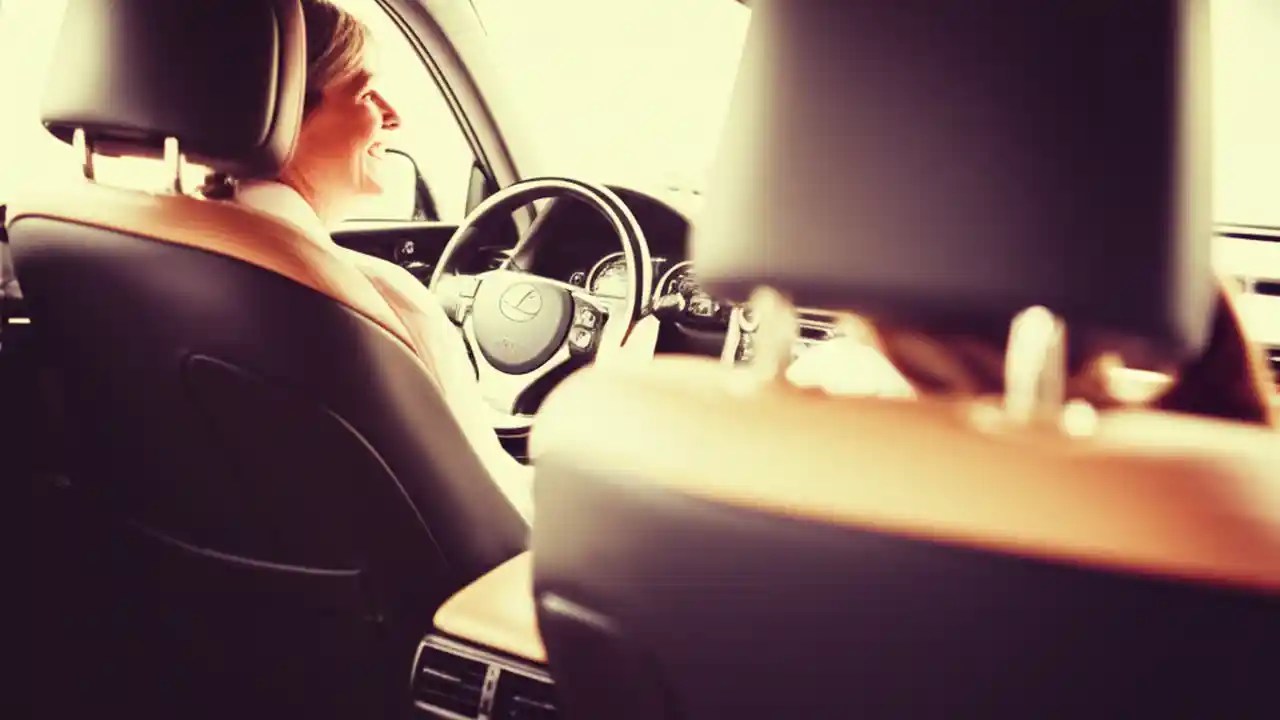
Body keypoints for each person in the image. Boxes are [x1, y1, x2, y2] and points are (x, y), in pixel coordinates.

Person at [200, 0, 534, 520]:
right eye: (364, 91)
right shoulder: (380, 299)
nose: (394, 116)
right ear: (283, 111)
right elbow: (502, 511)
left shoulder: (120, 238)